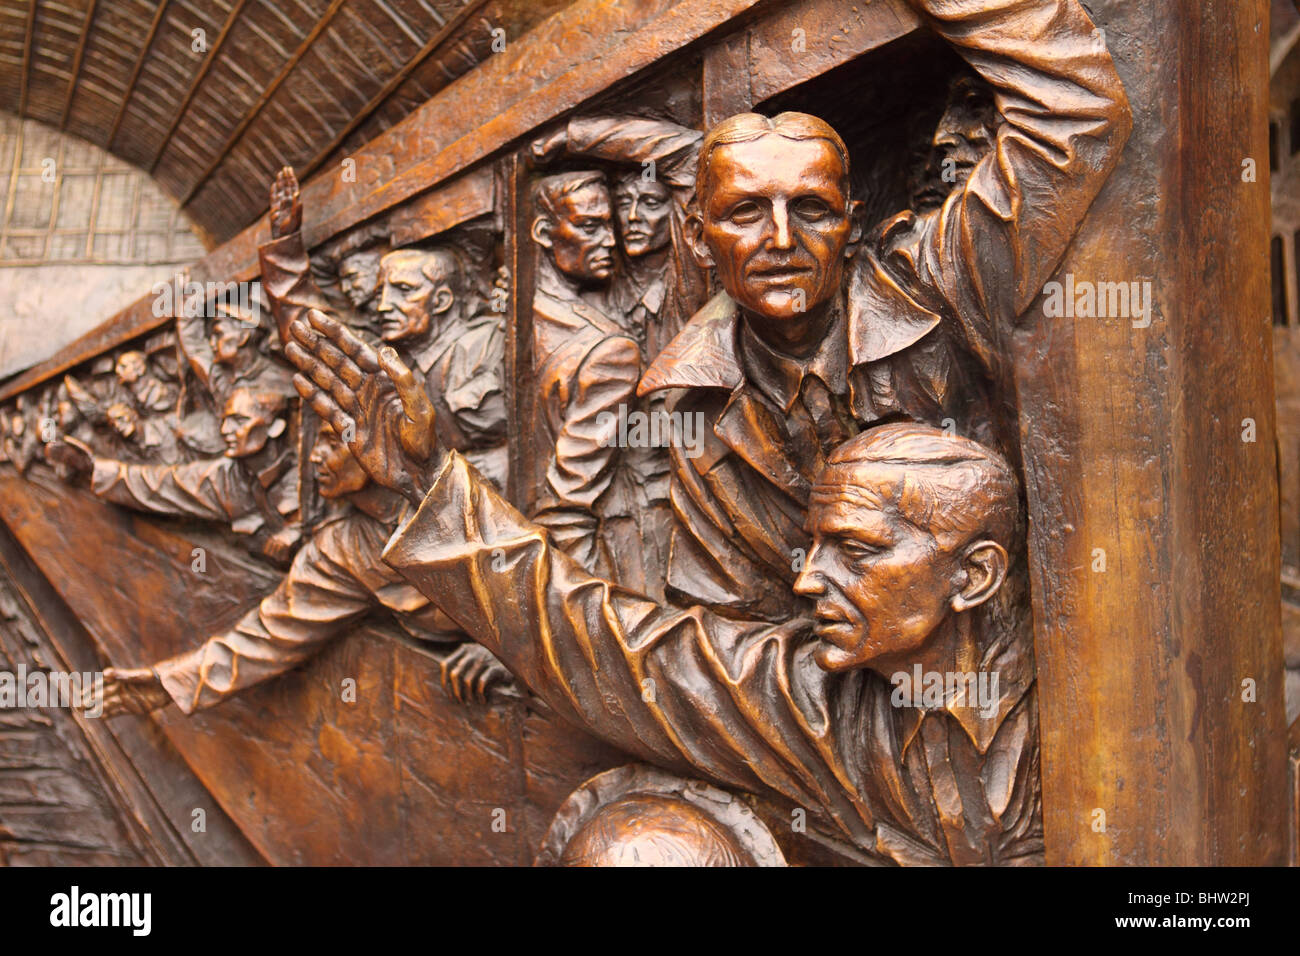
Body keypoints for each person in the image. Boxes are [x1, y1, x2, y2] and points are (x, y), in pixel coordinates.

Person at [77, 422, 512, 719]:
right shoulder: (342, 548)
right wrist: (168, 684)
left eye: (333, 442)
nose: (316, 457)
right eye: (316, 443)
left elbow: (550, 563)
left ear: (379, 445)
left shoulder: (475, 485)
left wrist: (511, 649)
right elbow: (269, 635)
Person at [528, 171, 670, 597]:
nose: (612, 241)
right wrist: (586, 610)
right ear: (543, 233)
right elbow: (567, 509)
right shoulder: (610, 352)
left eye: (609, 225)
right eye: (590, 226)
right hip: (601, 565)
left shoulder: (524, 310)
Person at [46, 385, 301, 562]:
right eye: (225, 420)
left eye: (239, 421)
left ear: (275, 427)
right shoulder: (226, 477)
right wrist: (92, 468)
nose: (225, 429)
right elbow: (161, 484)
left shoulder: (308, 472)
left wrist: (296, 531)